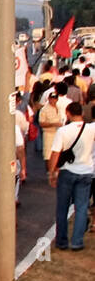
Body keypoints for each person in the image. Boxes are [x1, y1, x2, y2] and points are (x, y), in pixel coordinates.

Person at [48, 101, 94, 250]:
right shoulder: (92, 128)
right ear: (82, 113)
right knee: (81, 207)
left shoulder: (63, 131)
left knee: (62, 207)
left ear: (68, 113)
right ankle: (77, 241)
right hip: (86, 171)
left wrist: (52, 172)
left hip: (67, 171)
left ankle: (61, 241)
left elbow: (55, 153)